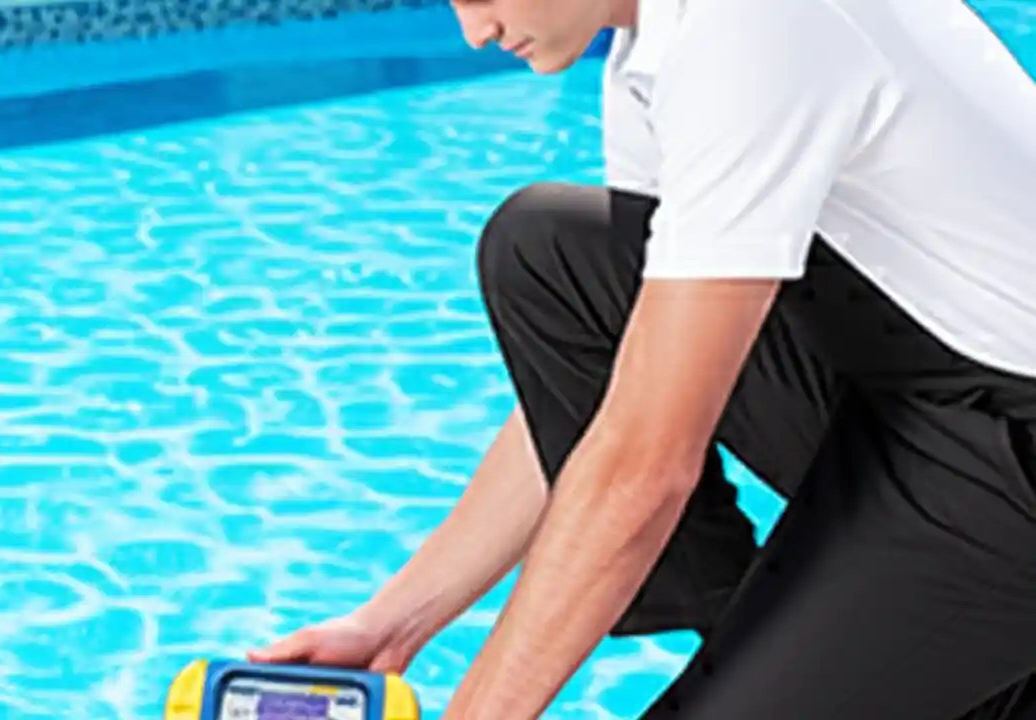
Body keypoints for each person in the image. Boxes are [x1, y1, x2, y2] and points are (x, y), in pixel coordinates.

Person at [250, 0, 1036, 716]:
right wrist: (393, 623)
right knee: (548, 256)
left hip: (1009, 451)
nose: (474, 30)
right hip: (909, 398)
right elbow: (628, 384)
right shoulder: (653, 43)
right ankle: (787, 641)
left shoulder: (757, 29)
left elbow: (645, 465)